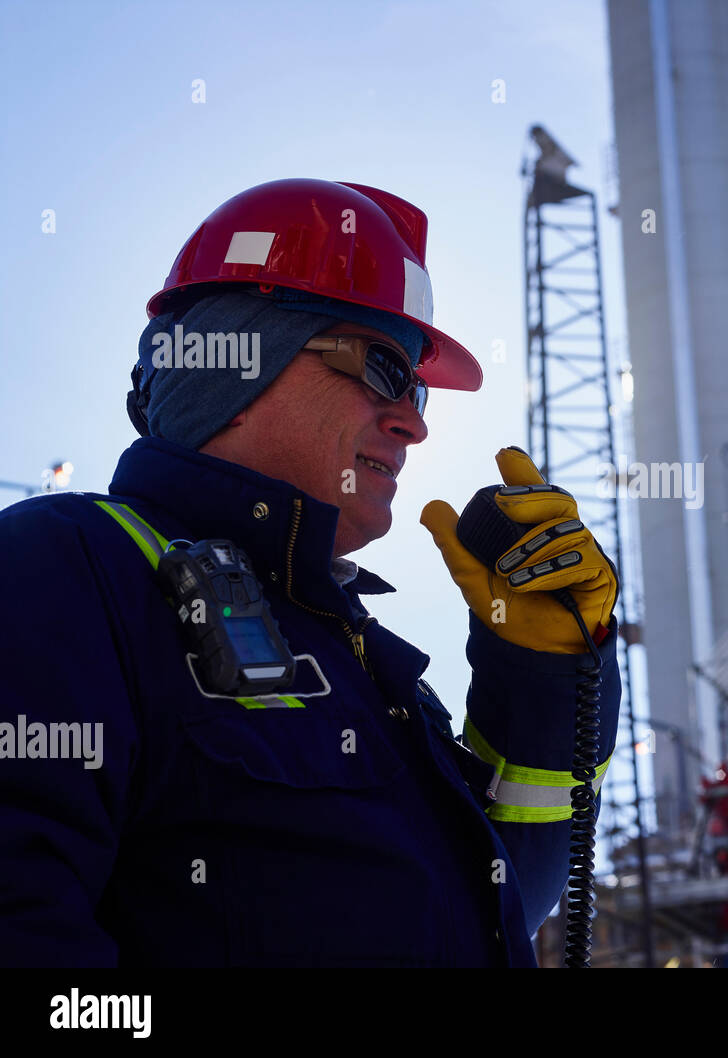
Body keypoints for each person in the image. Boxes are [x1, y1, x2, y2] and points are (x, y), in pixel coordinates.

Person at [0, 178, 622, 967]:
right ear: (233, 362)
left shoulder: (367, 664)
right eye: (383, 370)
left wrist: (548, 677)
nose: (415, 422)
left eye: (419, 387)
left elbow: (507, 897)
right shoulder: (69, 570)